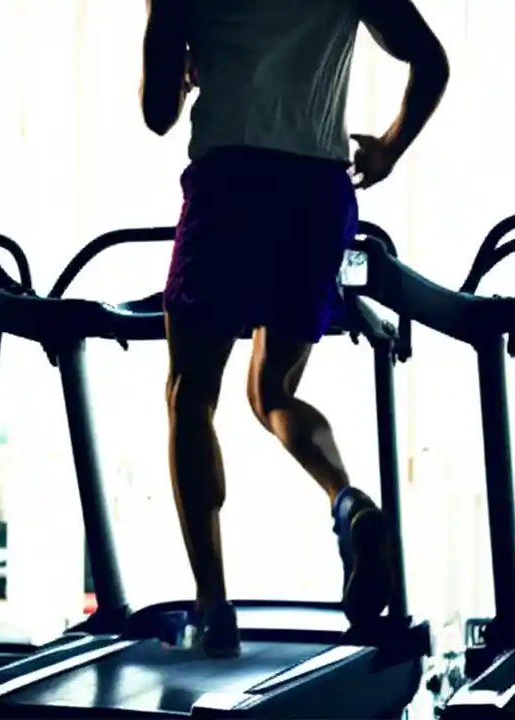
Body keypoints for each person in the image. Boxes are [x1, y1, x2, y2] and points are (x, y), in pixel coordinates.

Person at [141, 0, 450, 658]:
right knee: (272, 389)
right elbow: (430, 60)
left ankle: (212, 606)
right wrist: (389, 148)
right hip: (314, 190)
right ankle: (350, 504)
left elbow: (157, 113)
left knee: (192, 392)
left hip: (228, 182)